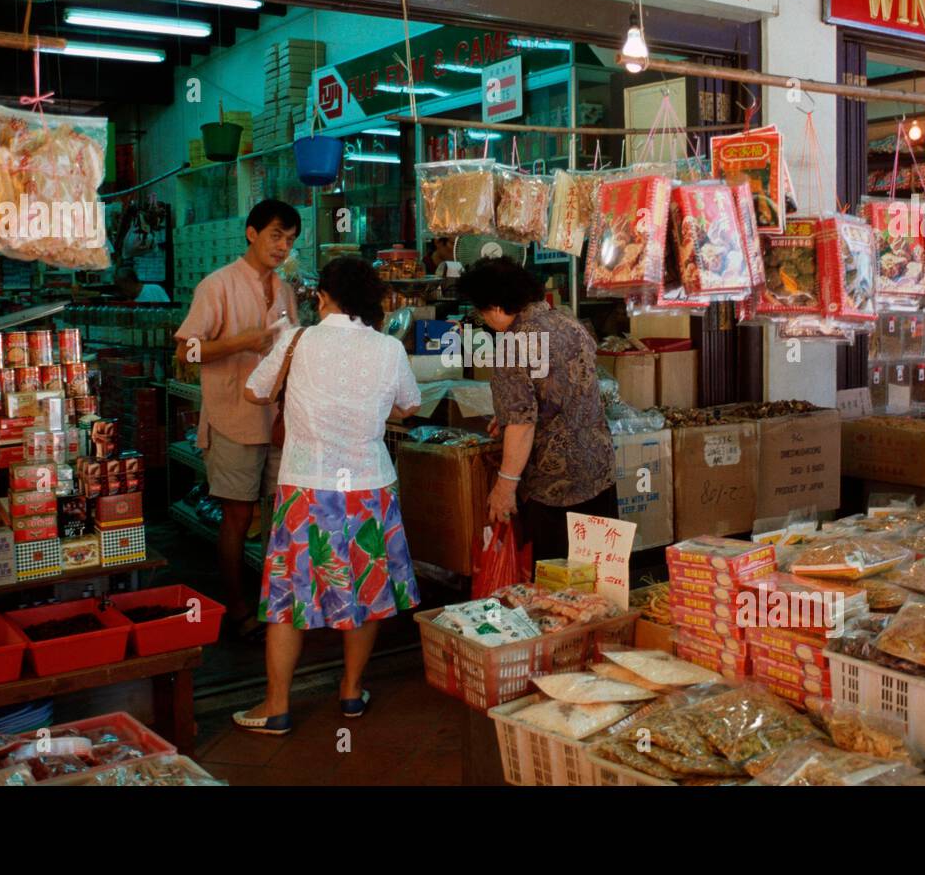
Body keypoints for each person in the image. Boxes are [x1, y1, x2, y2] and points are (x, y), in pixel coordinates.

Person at [233, 256, 422, 734]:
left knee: (286, 601)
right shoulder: (388, 348)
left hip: (306, 488)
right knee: (365, 590)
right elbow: (409, 405)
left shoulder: (297, 340)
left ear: (321, 298)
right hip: (367, 489)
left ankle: (276, 706)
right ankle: (352, 691)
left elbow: (255, 392)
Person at [174, 199, 300, 639]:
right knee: (238, 517)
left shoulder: (285, 291)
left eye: (289, 239)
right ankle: (236, 605)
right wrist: (240, 342)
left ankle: (276, 602)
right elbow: (185, 351)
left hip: (277, 421)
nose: (282, 246)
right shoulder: (218, 285)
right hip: (233, 417)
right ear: (251, 233)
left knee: (280, 516)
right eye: (275, 236)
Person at [456, 257, 617, 560]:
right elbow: (561, 394)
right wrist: (507, 420)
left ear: (496, 306)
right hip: (599, 470)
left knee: (555, 592)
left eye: (481, 310)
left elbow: (522, 424)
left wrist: (505, 488)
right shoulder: (569, 322)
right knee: (601, 578)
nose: (483, 318)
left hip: (554, 488)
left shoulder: (513, 344)